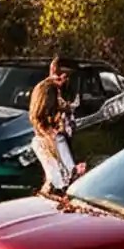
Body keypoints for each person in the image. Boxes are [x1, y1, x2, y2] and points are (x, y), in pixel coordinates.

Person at [29, 59, 81, 195]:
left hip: (55, 138)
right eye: (67, 76)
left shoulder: (56, 90)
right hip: (50, 138)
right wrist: (50, 134)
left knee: (59, 177)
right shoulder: (47, 89)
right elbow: (38, 116)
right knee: (57, 179)